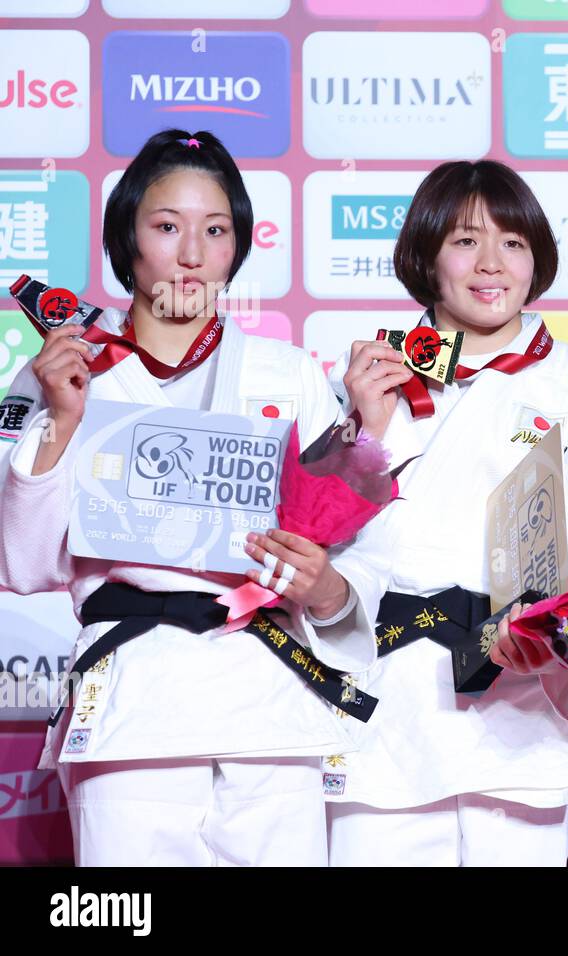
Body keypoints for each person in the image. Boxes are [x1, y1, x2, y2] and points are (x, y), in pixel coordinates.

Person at [0, 129, 386, 865]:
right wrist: (62, 420)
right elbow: (19, 563)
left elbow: (351, 553)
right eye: (166, 226)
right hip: (134, 704)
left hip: (270, 701)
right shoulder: (63, 372)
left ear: (236, 247)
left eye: (215, 230)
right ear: (127, 237)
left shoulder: (289, 372)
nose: (191, 253)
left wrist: (329, 586)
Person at [324, 159, 568, 866]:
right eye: (465, 241)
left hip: (523, 711)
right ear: (424, 256)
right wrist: (364, 431)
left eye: (512, 242)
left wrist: (552, 635)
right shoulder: (367, 378)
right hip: (386, 710)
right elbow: (317, 540)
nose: (491, 264)